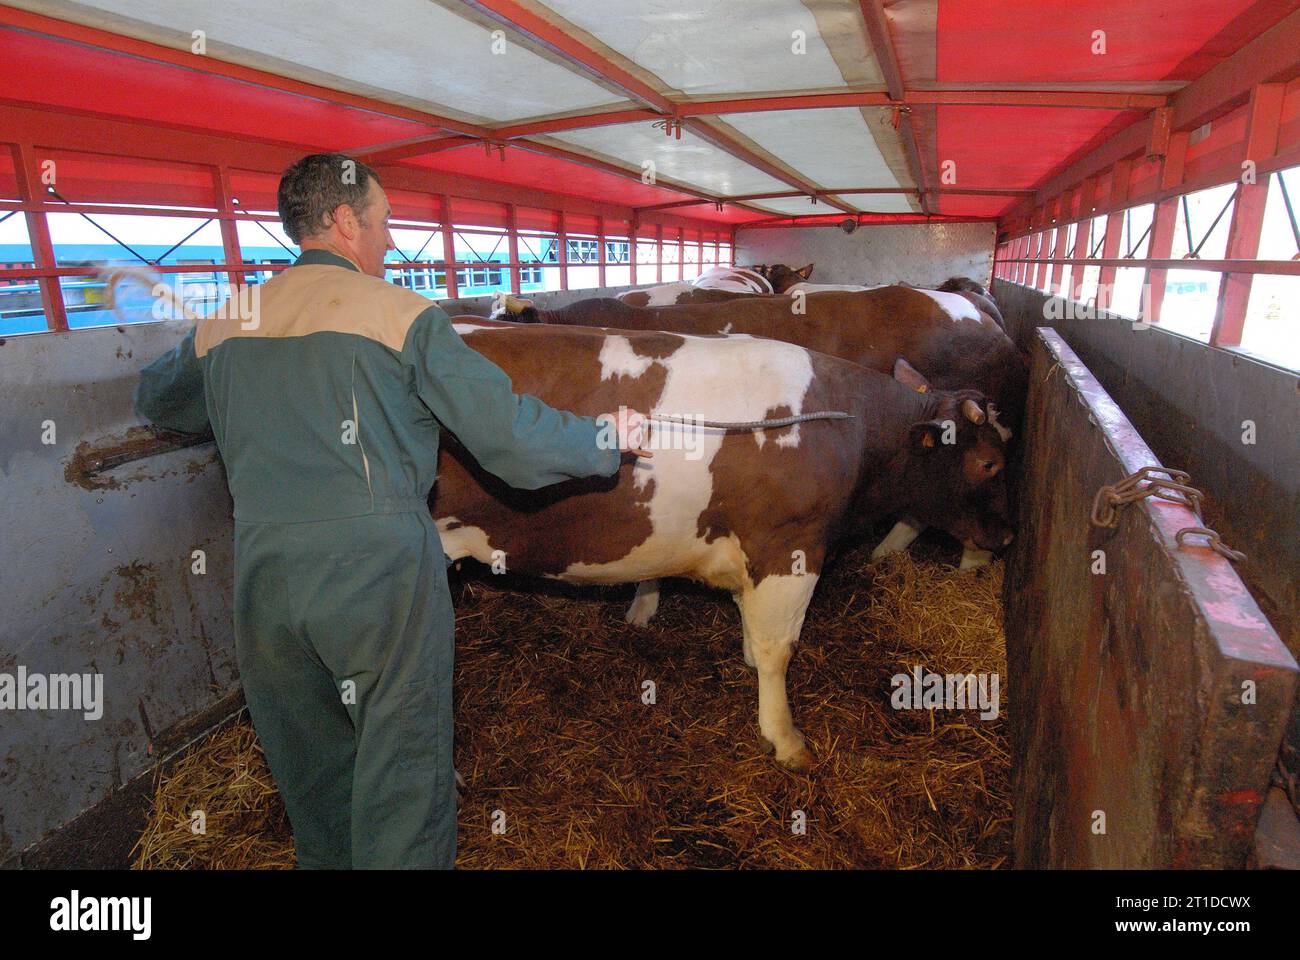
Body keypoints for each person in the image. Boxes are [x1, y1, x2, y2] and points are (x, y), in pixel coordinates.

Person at [135, 153, 649, 869]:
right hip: (375, 571)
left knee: (311, 763)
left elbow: (156, 399)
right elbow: (508, 440)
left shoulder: (231, 318)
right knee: (402, 763)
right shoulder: (404, 316)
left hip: (265, 575)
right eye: (382, 222)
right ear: (344, 222)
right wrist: (602, 437)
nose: (390, 240)